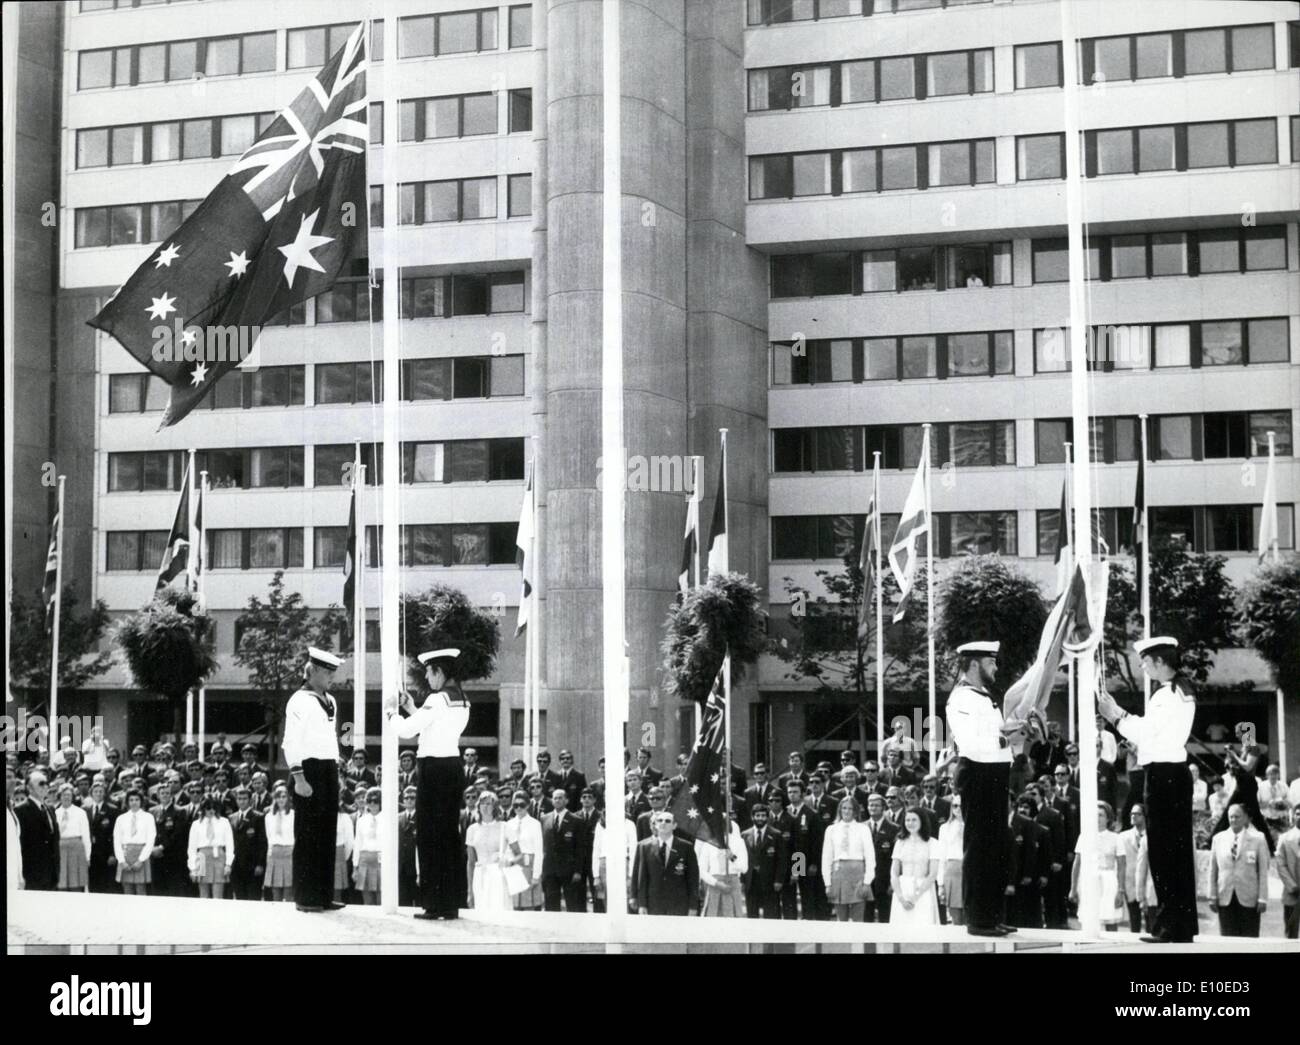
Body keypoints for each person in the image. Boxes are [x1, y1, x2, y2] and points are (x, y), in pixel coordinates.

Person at [1097, 637, 1197, 943]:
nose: (1142, 666)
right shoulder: (1179, 689)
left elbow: (1148, 732)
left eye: (1145, 661)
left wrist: (1115, 715)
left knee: (1165, 853)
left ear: (1158, 662)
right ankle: (1180, 925)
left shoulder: (1168, 694)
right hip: (1172, 774)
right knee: (1175, 853)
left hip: (1164, 775)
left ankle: (1169, 925)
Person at [947, 640, 1026, 937]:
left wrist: (1017, 728)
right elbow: (972, 742)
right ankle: (979, 920)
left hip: (993, 773)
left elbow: (995, 732)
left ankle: (992, 916)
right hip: (978, 773)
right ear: (974, 663)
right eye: (990, 662)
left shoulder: (982, 696)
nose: (995, 667)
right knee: (980, 847)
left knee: (995, 846)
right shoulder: (962, 698)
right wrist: (1008, 739)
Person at [390, 647, 471, 921]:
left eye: (429, 671)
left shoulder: (437, 700)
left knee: (428, 836)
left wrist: (393, 714)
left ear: (439, 671)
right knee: (448, 836)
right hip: (451, 767)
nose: (427, 676)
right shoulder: (462, 699)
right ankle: (449, 903)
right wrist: (411, 707)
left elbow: (407, 730)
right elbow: (433, 726)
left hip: (433, 770)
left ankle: (433, 903)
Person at [283, 646, 345, 913]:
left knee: (326, 834)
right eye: (329, 671)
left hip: (328, 769)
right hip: (307, 770)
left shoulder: (330, 700)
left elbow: (332, 739)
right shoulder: (299, 700)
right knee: (308, 836)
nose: (332, 676)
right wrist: (298, 777)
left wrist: (336, 771)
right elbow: (290, 742)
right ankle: (306, 897)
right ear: (315, 671)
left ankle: (322, 895)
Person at [1208, 803, 1269, 938]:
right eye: (1231, 817)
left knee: (1250, 941)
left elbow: (1263, 871)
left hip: (1249, 898)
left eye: (1237, 816)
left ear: (1246, 818)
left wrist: (1262, 898)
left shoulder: (1258, 839)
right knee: (1227, 941)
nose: (1233, 820)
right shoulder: (1218, 839)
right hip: (1225, 897)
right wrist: (1212, 896)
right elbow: (1213, 871)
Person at [1069, 802, 1126, 932]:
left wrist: (1120, 891)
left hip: (1109, 882)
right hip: (1089, 881)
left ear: (1108, 818)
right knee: (1089, 921)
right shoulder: (1084, 836)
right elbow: (1077, 864)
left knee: (1110, 920)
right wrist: (1073, 889)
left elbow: (1122, 866)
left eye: (1101, 815)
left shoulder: (1116, 838)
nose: (1097, 818)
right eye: (1094, 815)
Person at [632, 811, 698, 916]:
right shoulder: (644, 847)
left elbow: (693, 879)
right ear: (656, 824)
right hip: (653, 904)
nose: (663, 823)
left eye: (668, 821)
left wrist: (693, 906)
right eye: (660, 820)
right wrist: (642, 904)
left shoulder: (686, 847)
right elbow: (641, 878)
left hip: (679, 905)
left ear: (674, 825)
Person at [821, 796, 875, 922]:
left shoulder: (863, 829)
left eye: (850, 809)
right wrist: (827, 883)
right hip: (838, 875)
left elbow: (870, 856)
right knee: (841, 919)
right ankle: (844, 942)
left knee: (858, 919)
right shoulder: (831, 829)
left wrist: (867, 881)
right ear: (840, 810)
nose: (847, 811)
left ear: (856, 811)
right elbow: (827, 857)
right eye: (844, 808)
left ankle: (856, 942)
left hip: (858, 876)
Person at [890, 808, 940, 927]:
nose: (910, 823)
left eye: (914, 820)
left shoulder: (932, 843)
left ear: (922, 821)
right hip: (902, 891)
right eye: (907, 820)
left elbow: (932, 874)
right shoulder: (900, 842)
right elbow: (894, 872)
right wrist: (901, 897)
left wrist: (915, 896)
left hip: (923, 891)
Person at [541, 787, 585, 912]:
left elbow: (580, 848)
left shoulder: (576, 820)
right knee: (551, 906)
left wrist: (578, 870)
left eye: (561, 798)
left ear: (566, 800)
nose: (557, 800)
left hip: (569, 870)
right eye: (555, 798)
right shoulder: (544, 819)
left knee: (572, 905)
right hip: (550, 870)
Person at [465, 791, 510, 912]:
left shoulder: (504, 826)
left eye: (489, 804)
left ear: (494, 806)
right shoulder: (472, 829)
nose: (485, 807)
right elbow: (470, 862)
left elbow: (517, 853)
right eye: (482, 804)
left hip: (498, 875)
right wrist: (470, 891)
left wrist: (505, 859)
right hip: (480, 876)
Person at [16, 771, 60, 891]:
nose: (46, 786)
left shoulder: (50, 809)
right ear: (29, 788)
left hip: (52, 874)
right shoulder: (21, 810)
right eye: (41, 783)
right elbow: (20, 844)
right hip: (33, 874)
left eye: (47, 783)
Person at [741, 803, 786, 919]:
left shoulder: (776, 835)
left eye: (763, 816)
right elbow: (742, 858)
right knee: (751, 915)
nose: (760, 818)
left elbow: (781, 860)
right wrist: (742, 880)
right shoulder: (745, 835)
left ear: (767, 817)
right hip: (751, 880)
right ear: (752, 817)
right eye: (757, 816)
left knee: (771, 914)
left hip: (770, 881)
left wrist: (779, 880)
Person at [696, 819, 748, 917]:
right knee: (714, 917)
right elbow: (702, 870)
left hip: (732, 884)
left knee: (733, 917)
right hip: (715, 884)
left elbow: (744, 868)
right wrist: (716, 883)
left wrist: (732, 857)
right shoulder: (708, 843)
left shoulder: (738, 842)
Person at [187, 797, 234, 899]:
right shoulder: (196, 824)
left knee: (218, 895)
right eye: (208, 808)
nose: (211, 811)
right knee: (203, 896)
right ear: (203, 809)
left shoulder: (224, 822)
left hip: (218, 856)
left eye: (214, 808)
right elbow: (192, 848)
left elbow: (230, 845)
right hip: (202, 858)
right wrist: (193, 868)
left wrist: (228, 864)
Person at [504, 789, 544, 911]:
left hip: (529, 868)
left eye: (522, 805)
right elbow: (506, 848)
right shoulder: (509, 824)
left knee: (530, 906)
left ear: (528, 805)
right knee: (515, 906)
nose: (519, 808)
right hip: (514, 868)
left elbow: (538, 852)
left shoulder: (535, 824)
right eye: (515, 805)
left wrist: (536, 876)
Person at [112, 789, 155, 896]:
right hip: (125, 856)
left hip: (141, 855)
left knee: (141, 889)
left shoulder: (148, 817)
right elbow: (117, 841)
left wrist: (141, 860)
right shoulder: (121, 818)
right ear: (127, 802)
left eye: (137, 799)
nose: (134, 802)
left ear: (141, 801)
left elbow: (150, 840)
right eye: (131, 800)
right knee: (127, 889)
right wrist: (121, 861)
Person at [229, 786, 266, 901]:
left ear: (250, 800)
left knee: (253, 898)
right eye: (239, 799)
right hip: (236, 866)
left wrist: (260, 864)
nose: (242, 801)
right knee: (239, 898)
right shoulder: (231, 817)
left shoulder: (258, 817)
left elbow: (262, 842)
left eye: (244, 798)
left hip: (252, 865)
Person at [54, 783, 91, 892]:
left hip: (76, 849)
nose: (66, 797)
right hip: (60, 850)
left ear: (72, 797)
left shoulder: (80, 813)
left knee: (76, 883)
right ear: (59, 796)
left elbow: (86, 836)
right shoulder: (55, 813)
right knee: (61, 883)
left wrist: (87, 856)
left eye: (69, 795)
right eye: (64, 795)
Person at [84, 779, 119, 893]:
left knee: (107, 886)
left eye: (101, 791)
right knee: (92, 885)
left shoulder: (112, 810)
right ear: (91, 793)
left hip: (106, 853)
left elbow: (116, 834)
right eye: (96, 791)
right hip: (91, 854)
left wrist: (113, 854)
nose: (98, 794)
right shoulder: (85, 809)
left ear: (105, 793)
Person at [263, 785, 295, 902]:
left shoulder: (293, 815)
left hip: (288, 852)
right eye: (278, 797)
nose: (281, 800)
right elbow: (269, 837)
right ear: (274, 799)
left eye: (283, 797)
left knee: (288, 889)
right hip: (274, 853)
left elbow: (295, 836)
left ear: (287, 798)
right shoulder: (269, 816)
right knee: (275, 890)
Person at [937, 795, 965, 925]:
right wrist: (940, 884)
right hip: (952, 870)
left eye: (961, 805)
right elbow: (941, 856)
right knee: (955, 918)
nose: (958, 809)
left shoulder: (975, 826)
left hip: (969, 871)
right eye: (955, 806)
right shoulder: (944, 828)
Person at [353, 788, 382, 905]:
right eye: (369, 801)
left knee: (382, 898)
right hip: (364, 861)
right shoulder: (361, 821)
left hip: (382, 861)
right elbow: (357, 843)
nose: (372, 804)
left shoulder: (388, 820)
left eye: (376, 801)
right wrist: (355, 867)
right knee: (367, 900)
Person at [1276, 805, 1299, 940]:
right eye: (1298, 814)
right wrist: (1292, 886)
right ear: (1293, 816)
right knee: (1291, 934)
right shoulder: (1285, 838)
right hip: (1292, 894)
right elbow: (1281, 865)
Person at [333, 793, 356, 904]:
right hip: (322, 855)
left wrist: (343, 856)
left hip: (338, 854)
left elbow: (349, 841)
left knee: (336, 891)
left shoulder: (344, 818)